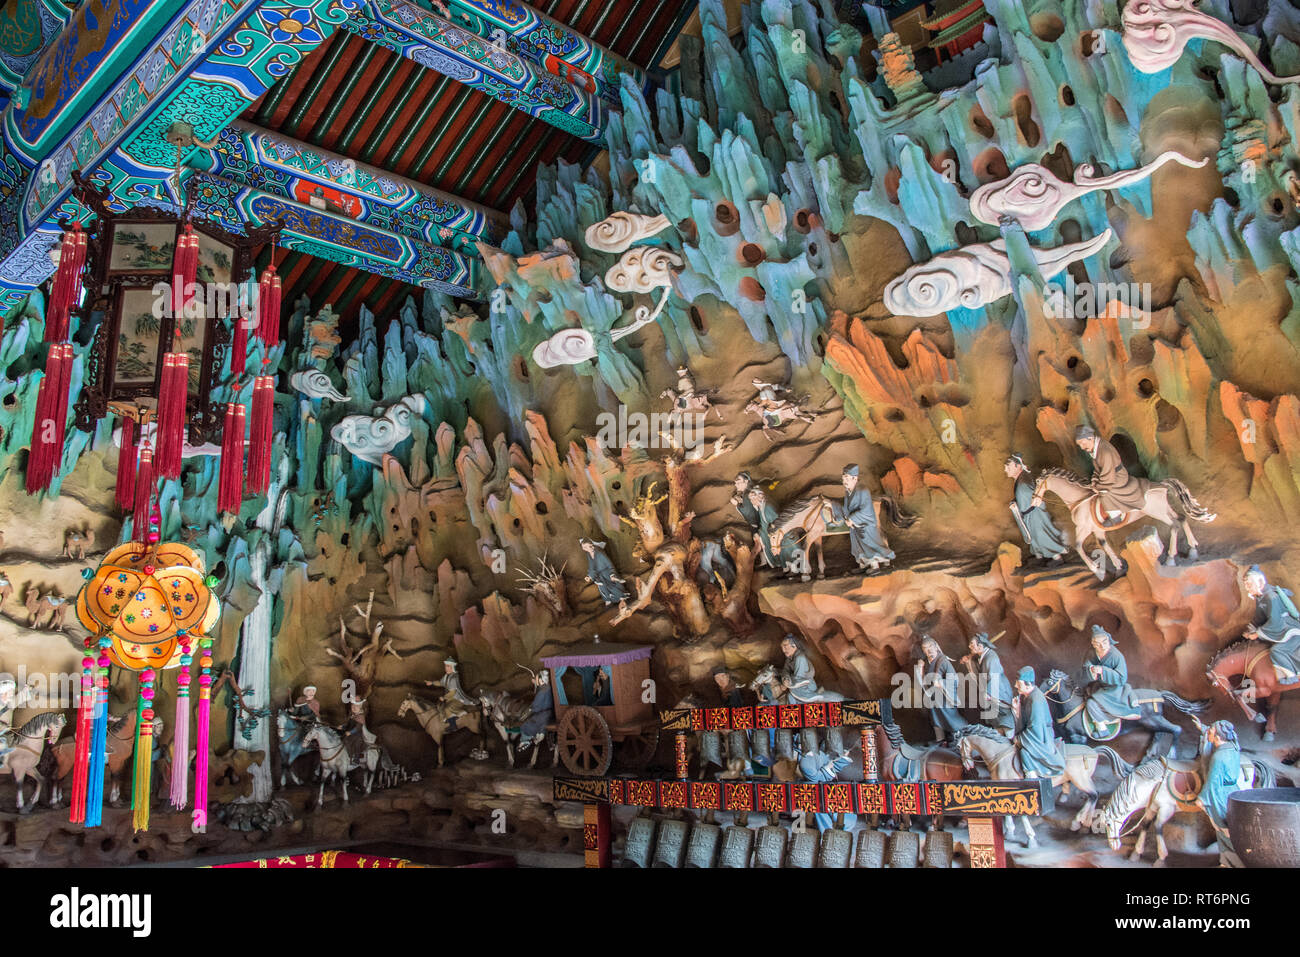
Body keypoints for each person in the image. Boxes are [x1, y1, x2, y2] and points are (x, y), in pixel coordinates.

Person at [1075, 425, 1149, 526]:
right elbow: (1099, 469)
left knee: (1104, 494)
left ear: (1090, 438)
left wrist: (1100, 487)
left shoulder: (1104, 452)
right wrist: (1094, 480)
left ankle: (1115, 517)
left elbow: (1108, 473)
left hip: (1117, 476)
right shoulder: (1096, 450)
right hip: (1109, 474)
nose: (1082, 447)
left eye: (1083, 443)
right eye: (1080, 445)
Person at [1195, 719, 1243, 867]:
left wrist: (1201, 799)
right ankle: (1225, 862)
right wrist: (1203, 728)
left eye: (1210, 732)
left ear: (1217, 737)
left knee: (1224, 830)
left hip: (1220, 794)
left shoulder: (1218, 757)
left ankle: (1234, 863)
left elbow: (1212, 783)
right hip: (1233, 792)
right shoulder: (1233, 748)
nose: (1208, 733)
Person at [827, 464, 894, 570]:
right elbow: (846, 508)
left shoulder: (863, 491)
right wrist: (833, 505)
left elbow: (866, 510)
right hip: (855, 526)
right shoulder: (848, 492)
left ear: (855, 478)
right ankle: (864, 564)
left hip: (865, 524)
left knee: (870, 545)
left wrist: (851, 519)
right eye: (843, 478)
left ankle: (875, 566)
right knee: (858, 547)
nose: (844, 481)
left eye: (847, 478)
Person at [1242, 565, 1300, 685]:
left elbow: (1275, 621)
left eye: (1249, 584)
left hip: (1289, 629)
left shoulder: (1271, 596)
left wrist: (1257, 634)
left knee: (1276, 651)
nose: (1247, 587)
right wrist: (1251, 629)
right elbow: (1259, 617)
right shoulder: (1261, 597)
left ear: (1259, 582)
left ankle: (1292, 676)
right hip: (1281, 629)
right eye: (1246, 585)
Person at [1005, 454, 1069, 562]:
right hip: (1030, 515)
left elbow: (1035, 498)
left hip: (1035, 515)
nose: (1006, 469)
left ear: (1017, 466)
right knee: (1035, 538)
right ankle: (1040, 556)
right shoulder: (1021, 479)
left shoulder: (1023, 483)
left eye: (1008, 466)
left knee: (1043, 536)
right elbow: (1024, 498)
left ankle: (1057, 558)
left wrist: (1023, 508)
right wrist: (1016, 502)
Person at [1076, 625, 1136, 725]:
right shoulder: (1091, 653)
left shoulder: (1116, 656)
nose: (1102, 646)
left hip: (1113, 688)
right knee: (1085, 693)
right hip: (1099, 684)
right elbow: (1086, 666)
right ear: (1093, 643)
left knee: (1091, 703)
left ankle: (1102, 726)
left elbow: (1122, 678)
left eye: (1104, 642)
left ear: (1109, 640)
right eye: (1098, 644)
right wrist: (1091, 669)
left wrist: (1103, 671)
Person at [1012, 667, 1064, 777]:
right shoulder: (1027, 697)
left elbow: (1036, 727)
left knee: (1025, 752)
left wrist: (1019, 738)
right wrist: (1017, 711)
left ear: (1028, 684)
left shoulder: (1036, 700)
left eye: (1019, 684)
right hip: (1035, 732)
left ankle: (1033, 777)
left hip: (1042, 735)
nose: (1016, 686)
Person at [915, 635, 967, 743]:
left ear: (935, 646)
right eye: (925, 648)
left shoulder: (943, 661)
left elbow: (954, 679)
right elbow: (923, 682)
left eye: (930, 646)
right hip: (933, 696)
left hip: (945, 696)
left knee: (949, 717)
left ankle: (959, 738)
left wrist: (942, 683)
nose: (929, 650)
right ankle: (941, 740)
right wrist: (920, 670)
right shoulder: (925, 662)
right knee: (935, 718)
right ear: (923, 650)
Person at [961, 633, 1014, 734]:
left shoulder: (991, 658)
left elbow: (994, 678)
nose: (969, 647)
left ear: (980, 646)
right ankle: (998, 734)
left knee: (1002, 713)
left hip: (999, 691)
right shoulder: (981, 656)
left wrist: (989, 693)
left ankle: (1008, 733)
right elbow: (978, 674)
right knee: (992, 715)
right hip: (989, 692)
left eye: (972, 644)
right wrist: (969, 661)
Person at [798, 749, 858, 831]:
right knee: (819, 799)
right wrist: (827, 768)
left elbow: (833, 767)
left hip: (826, 791)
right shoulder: (806, 761)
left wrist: (842, 759)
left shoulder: (820, 753)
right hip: (817, 793)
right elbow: (814, 778)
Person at [751, 487, 801, 574]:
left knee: (785, 549)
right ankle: (786, 568)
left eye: (752, 498)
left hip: (780, 533)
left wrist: (772, 531)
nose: (752, 501)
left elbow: (776, 522)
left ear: (759, 497)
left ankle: (794, 569)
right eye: (751, 499)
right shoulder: (761, 508)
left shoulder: (768, 507)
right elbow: (764, 523)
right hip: (773, 533)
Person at [425, 658, 475, 730]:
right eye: (445, 666)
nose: (446, 668)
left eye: (448, 666)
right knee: (439, 706)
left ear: (452, 667)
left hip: (457, 699)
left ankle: (453, 725)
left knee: (447, 708)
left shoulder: (454, 677)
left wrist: (444, 697)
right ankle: (445, 722)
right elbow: (440, 682)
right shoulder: (447, 676)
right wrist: (431, 683)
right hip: (450, 699)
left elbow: (453, 692)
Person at [580, 538, 628, 606]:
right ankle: (608, 600)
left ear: (591, 545)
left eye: (585, 547)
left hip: (607, 573)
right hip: (599, 575)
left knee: (612, 586)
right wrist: (589, 576)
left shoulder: (600, 553)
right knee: (602, 586)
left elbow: (609, 564)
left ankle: (622, 599)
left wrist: (612, 573)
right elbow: (591, 566)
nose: (584, 549)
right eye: (583, 547)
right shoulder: (588, 554)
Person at [518, 669, 553, 751]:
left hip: (543, 714)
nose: (536, 681)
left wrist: (528, 711)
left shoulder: (542, 691)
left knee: (524, 725)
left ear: (541, 680)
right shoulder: (547, 687)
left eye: (537, 679)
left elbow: (536, 706)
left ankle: (525, 741)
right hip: (547, 712)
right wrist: (535, 683)